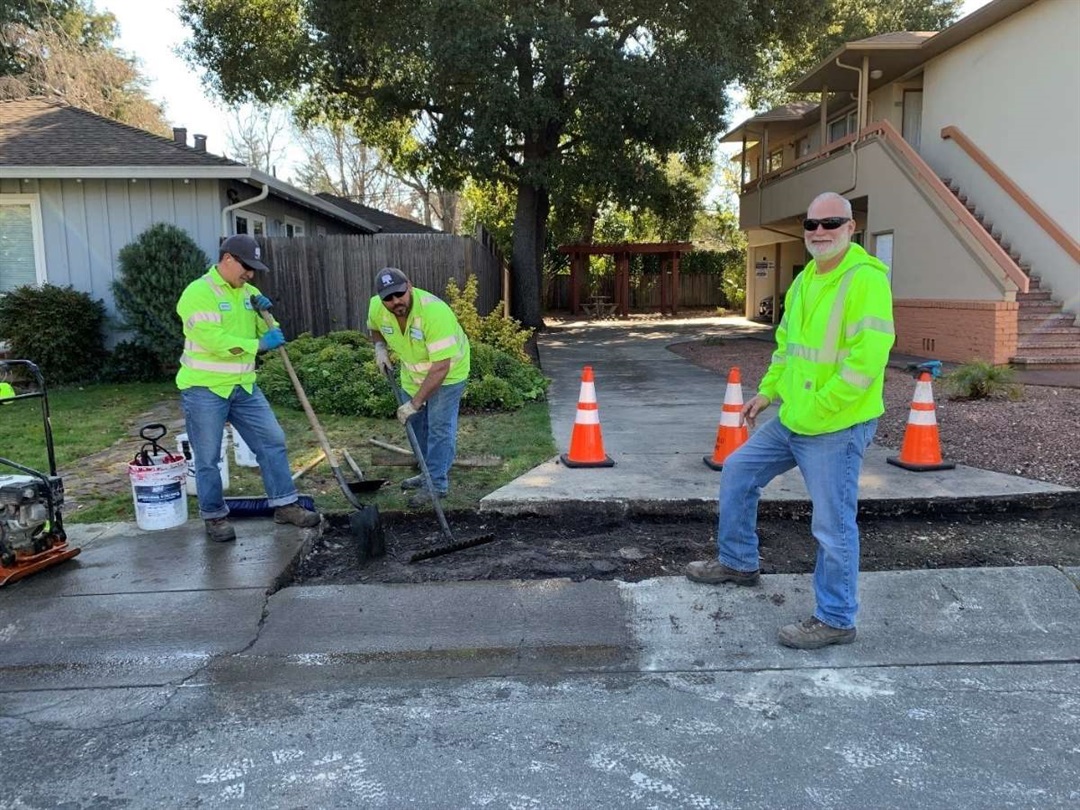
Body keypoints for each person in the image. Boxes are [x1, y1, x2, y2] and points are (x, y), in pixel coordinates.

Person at [686, 191, 895, 649]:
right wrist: (767, 393)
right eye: (811, 223)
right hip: (795, 418)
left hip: (836, 426)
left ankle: (837, 618)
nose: (819, 231)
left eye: (831, 222)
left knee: (833, 523)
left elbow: (866, 363)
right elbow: (787, 350)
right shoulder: (803, 283)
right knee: (738, 471)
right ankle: (738, 562)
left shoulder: (865, 280)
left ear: (851, 227)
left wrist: (819, 409)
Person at [175, 233, 321, 542]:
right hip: (205, 388)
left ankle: (284, 505)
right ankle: (214, 517)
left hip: (243, 386)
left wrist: (267, 318)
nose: (251, 274)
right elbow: (213, 341)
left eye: (254, 269)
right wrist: (258, 344)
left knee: (272, 441)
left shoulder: (248, 292)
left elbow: (271, 334)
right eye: (247, 267)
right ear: (227, 259)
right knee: (208, 457)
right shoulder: (198, 294)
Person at [368, 267, 470, 507]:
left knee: (439, 429)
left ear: (410, 286)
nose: (395, 301)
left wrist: (415, 403)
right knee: (418, 427)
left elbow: (440, 367)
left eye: (400, 294)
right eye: (388, 298)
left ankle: (436, 484)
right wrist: (380, 348)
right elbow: (374, 328)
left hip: (448, 375)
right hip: (412, 376)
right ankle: (427, 473)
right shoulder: (376, 306)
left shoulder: (434, 312)